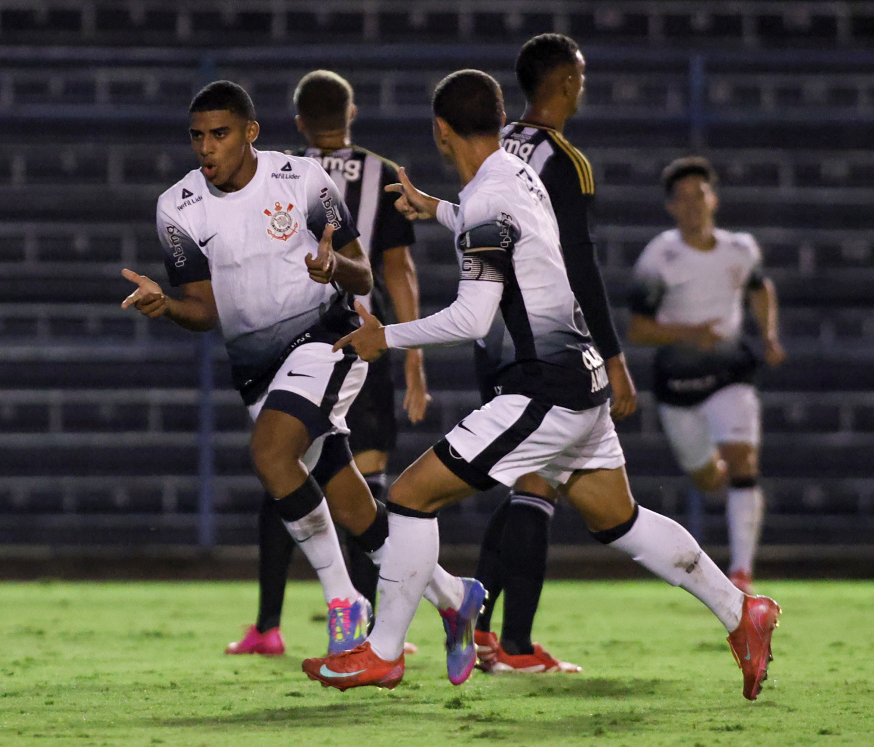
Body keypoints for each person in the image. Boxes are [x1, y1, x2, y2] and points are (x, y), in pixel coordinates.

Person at [301, 69, 780, 702]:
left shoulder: (484, 198)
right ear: (500, 122)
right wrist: (436, 208)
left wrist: (384, 336)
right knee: (620, 520)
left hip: (542, 390)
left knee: (412, 496)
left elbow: (473, 317)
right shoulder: (518, 172)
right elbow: (508, 235)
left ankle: (384, 654)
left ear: (441, 131)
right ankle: (742, 611)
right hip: (580, 378)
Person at [121, 80, 479, 663]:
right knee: (356, 510)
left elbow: (364, 273)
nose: (207, 148)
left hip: (327, 339)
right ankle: (453, 596)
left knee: (270, 454)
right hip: (256, 368)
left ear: (251, 132)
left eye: (220, 134)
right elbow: (205, 311)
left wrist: (333, 263)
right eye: (197, 137)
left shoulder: (302, 179)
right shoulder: (177, 206)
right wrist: (168, 307)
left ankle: (345, 601)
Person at [225, 69, 430, 656]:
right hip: (361, 340)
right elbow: (398, 271)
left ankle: (267, 626)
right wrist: (412, 360)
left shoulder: (281, 170)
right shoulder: (381, 173)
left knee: (283, 469)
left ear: (297, 122)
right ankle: (380, 627)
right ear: (352, 114)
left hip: (292, 343)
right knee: (364, 479)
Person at [472, 32, 637, 675]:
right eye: (582, 76)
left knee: (525, 478)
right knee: (534, 482)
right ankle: (508, 645)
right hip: (542, 341)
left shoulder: (496, 146)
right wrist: (613, 356)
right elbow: (579, 264)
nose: (584, 85)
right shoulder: (564, 161)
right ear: (566, 83)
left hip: (490, 333)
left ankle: (488, 634)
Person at [627, 156, 786, 595]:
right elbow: (638, 329)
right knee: (707, 477)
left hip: (730, 373)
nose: (695, 205)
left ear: (713, 199)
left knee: (742, 459)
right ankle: (728, 508)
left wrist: (768, 335)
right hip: (678, 387)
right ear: (671, 207)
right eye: (684, 198)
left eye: (701, 195)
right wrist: (686, 333)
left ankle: (741, 573)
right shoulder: (660, 257)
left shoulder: (740, 249)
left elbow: (760, 287)